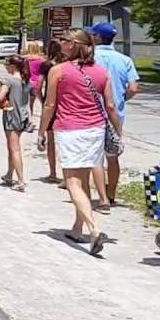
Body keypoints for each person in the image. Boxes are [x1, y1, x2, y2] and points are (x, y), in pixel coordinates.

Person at [40, 28, 120, 255]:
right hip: (95, 129)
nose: (61, 44)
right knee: (83, 180)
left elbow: (50, 104)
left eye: (65, 41)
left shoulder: (58, 71)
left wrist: (42, 130)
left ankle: (94, 230)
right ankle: (77, 228)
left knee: (73, 183)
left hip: (70, 129)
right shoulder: (101, 72)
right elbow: (111, 105)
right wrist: (117, 132)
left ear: (73, 45)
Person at [91, 22, 138, 208]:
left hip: (92, 112)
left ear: (98, 37)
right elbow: (134, 87)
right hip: (116, 113)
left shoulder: (90, 58)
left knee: (94, 157)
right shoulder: (125, 60)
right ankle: (111, 194)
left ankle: (100, 195)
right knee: (113, 155)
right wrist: (121, 99)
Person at [0, 55, 30, 191]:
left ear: (12, 66)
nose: (5, 67)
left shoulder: (10, 81)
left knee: (14, 149)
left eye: (6, 65)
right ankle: (9, 174)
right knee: (12, 147)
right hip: (22, 116)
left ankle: (20, 181)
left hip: (11, 116)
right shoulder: (25, 81)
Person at [36, 38, 63, 184]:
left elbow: (38, 86)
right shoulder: (66, 65)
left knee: (51, 139)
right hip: (66, 102)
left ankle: (53, 172)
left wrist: (42, 100)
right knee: (66, 140)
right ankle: (68, 173)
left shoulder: (46, 65)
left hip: (50, 101)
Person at [23, 40, 46, 130]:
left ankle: (30, 121)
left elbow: (25, 71)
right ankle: (46, 120)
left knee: (29, 104)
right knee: (43, 103)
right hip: (38, 83)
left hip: (29, 82)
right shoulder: (41, 60)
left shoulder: (26, 60)